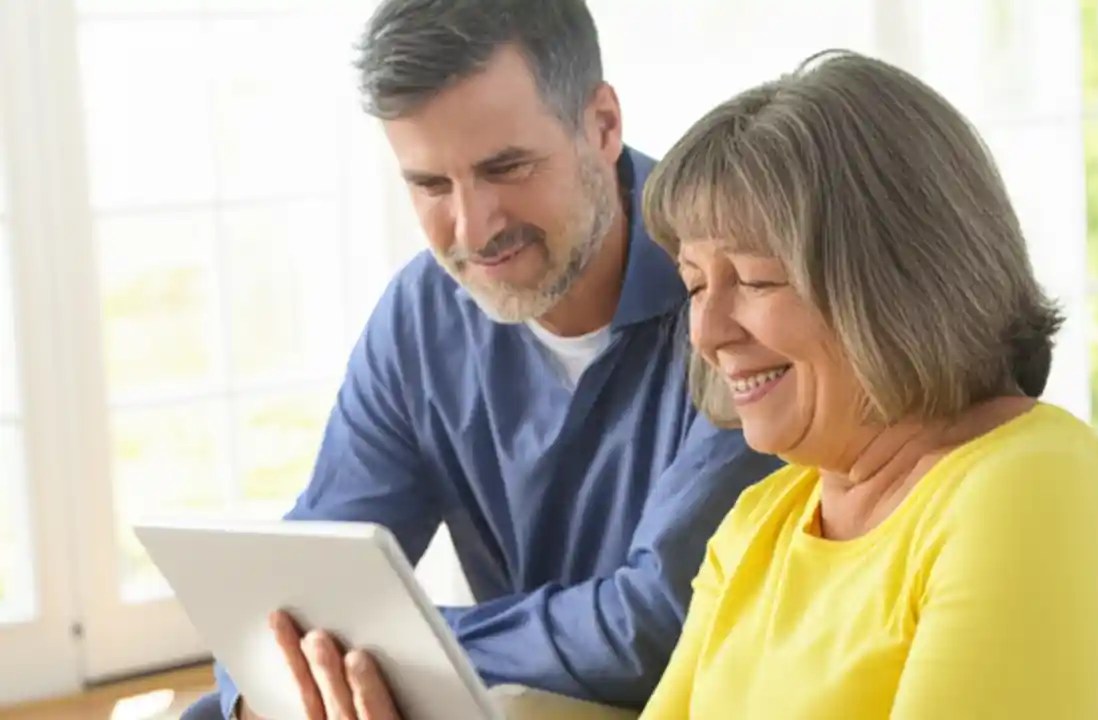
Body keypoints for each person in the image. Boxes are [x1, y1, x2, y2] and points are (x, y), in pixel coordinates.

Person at [182, 1, 779, 718]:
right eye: (430, 185)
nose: (472, 228)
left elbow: (654, 623)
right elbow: (300, 588)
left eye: (507, 167)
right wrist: (271, 690)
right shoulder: (421, 318)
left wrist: (397, 644)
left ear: (604, 126)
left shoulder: (738, 296)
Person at [638, 50, 1098, 719]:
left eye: (755, 280)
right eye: (696, 284)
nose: (708, 332)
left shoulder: (1033, 486)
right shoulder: (760, 523)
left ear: (897, 282)